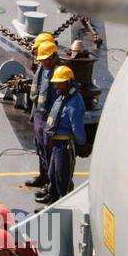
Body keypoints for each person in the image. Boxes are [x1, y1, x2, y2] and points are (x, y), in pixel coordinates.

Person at [38, 66, 87, 205]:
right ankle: (51, 204)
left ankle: (64, 206)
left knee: (62, 179)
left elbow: (77, 127)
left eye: (59, 83)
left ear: (69, 82)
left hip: (65, 146)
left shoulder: (74, 102)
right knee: (52, 175)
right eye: (55, 83)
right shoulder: (63, 97)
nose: (56, 86)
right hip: (56, 145)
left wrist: (82, 145)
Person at [27, 39, 58, 191]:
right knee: (40, 147)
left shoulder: (58, 72)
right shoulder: (43, 69)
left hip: (48, 118)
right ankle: (43, 175)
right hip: (40, 114)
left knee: (48, 150)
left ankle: (51, 184)